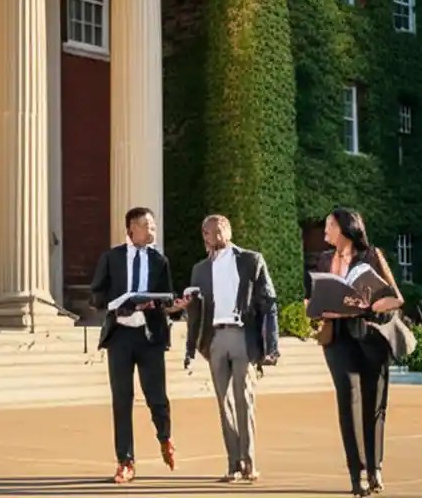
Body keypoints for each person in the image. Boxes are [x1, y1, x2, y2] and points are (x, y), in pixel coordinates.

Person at [306, 207, 405, 496]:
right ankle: (357, 473)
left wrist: (370, 306)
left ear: (346, 228)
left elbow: (395, 299)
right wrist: (314, 308)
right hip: (337, 339)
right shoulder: (323, 259)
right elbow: (315, 300)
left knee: (373, 406)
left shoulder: (371, 256)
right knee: (348, 402)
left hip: (370, 337)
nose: (325, 230)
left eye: (330, 225)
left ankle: (375, 468)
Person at [183, 214, 280, 483]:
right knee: (223, 403)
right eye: (210, 231)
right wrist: (190, 348)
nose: (216, 234)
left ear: (229, 230)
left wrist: (272, 345)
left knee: (244, 399)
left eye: (221, 229)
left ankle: (249, 462)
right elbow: (195, 313)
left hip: (242, 336)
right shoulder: (200, 269)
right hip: (215, 338)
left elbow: (269, 301)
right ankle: (233, 464)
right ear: (204, 235)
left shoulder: (251, 260)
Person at [89, 206, 179, 484]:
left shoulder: (159, 260)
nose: (152, 229)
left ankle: (165, 437)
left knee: (157, 397)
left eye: (153, 225)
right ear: (131, 229)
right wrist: (118, 305)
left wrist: (172, 305)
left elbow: (167, 298)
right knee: (121, 399)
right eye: (146, 225)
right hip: (120, 337)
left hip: (149, 335)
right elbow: (96, 296)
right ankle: (125, 461)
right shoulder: (111, 257)